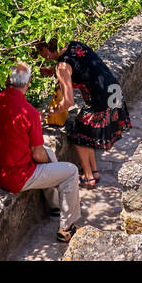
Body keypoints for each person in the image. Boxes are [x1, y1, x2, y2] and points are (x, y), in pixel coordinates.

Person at [0, 62, 81, 242]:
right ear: (29, 82)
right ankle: (66, 228)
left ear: (7, 79)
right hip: (16, 177)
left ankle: (55, 204)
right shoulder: (29, 112)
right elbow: (37, 155)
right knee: (70, 171)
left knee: (49, 153)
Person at [35, 39, 131, 190]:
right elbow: (82, 68)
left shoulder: (62, 66)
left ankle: (88, 177)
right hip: (114, 90)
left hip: (101, 99)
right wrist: (55, 72)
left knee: (77, 133)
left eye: (39, 52)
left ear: (46, 51)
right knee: (85, 129)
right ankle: (94, 172)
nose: (40, 56)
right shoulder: (73, 45)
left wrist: (48, 113)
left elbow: (68, 102)